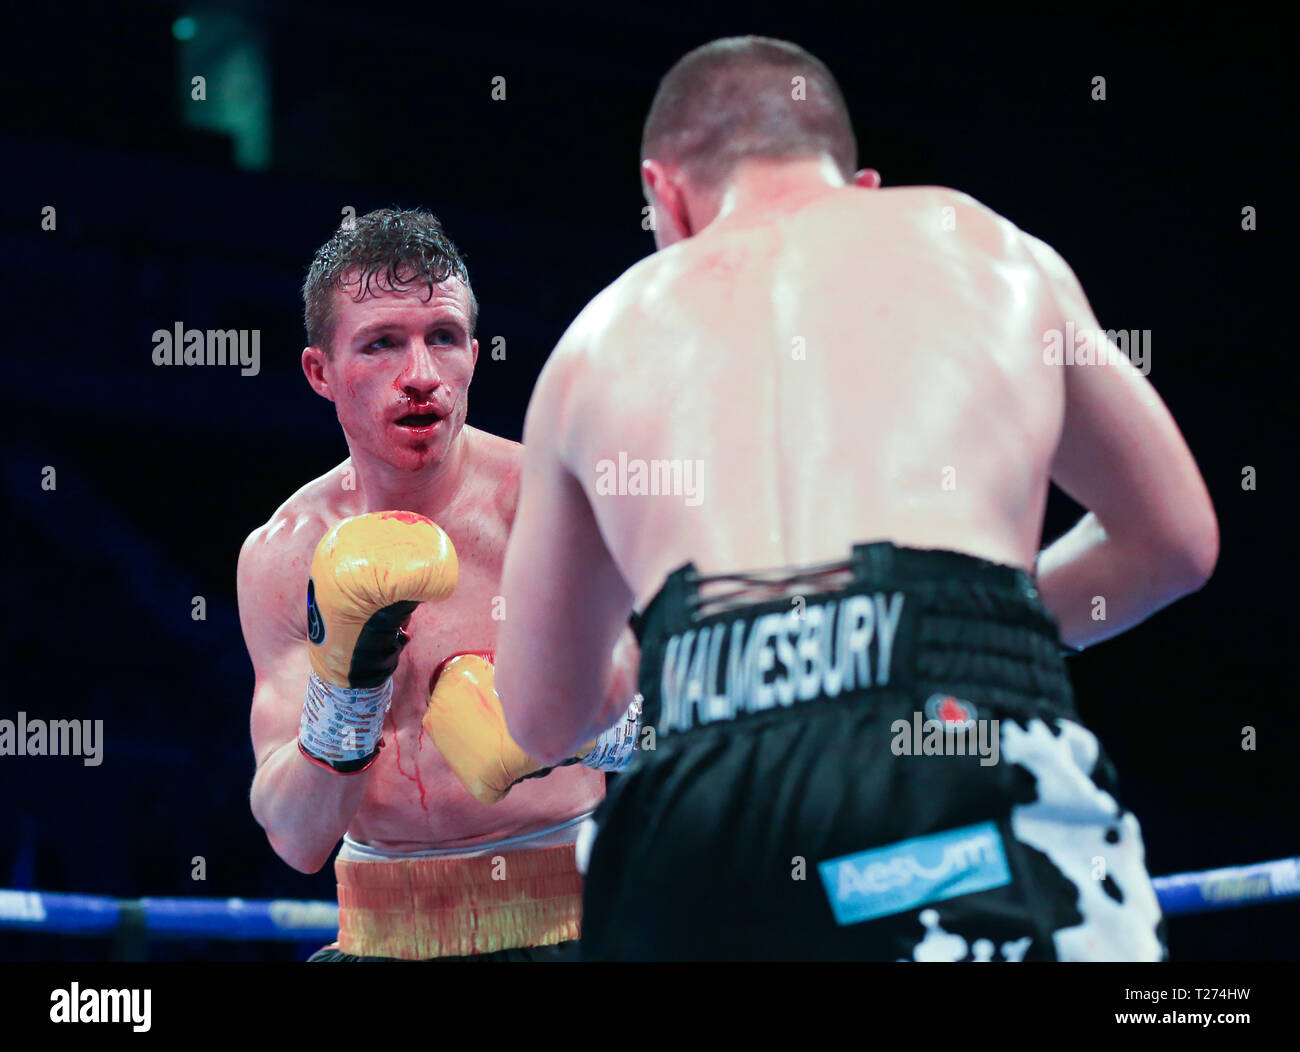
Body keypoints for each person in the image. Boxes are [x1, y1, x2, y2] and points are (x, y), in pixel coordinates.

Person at [494, 37, 1218, 961]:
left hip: (698, 809)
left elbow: (542, 718)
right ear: (861, 186)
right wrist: (972, 619)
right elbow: (1176, 542)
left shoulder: (593, 341)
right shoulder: (984, 246)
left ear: (665, 196)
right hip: (952, 737)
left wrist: (690, 658)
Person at [238, 208, 638, 961]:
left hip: (572, 929)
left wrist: (547, 726)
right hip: (376, 940)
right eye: (382, 343)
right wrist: (347, 700)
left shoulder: (548, 506)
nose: (420, 375)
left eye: (442, 338)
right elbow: (296, 839)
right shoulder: (282, 556)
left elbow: (659, 728)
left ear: (475, 355)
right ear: (320, 371)